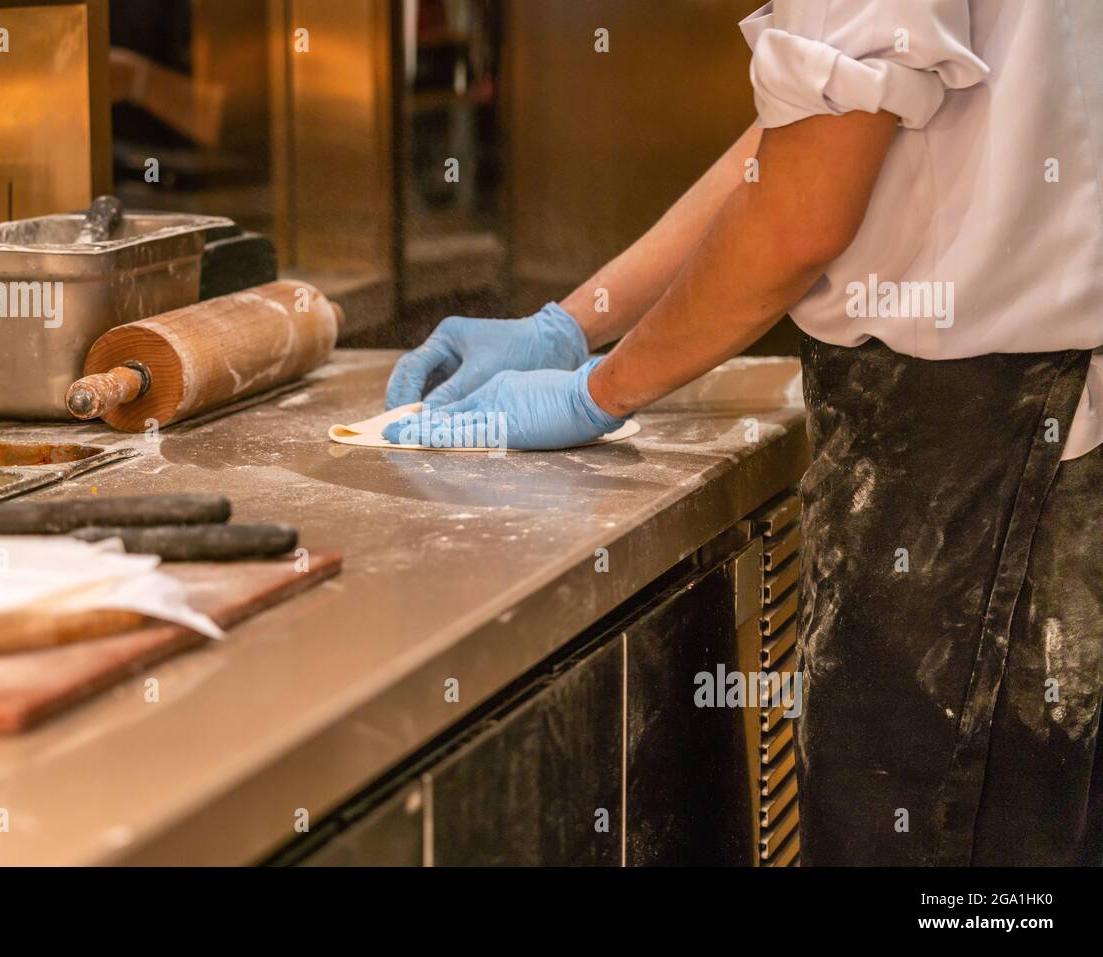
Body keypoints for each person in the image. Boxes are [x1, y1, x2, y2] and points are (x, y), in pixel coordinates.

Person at [384, 0, 1103, 866]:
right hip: (1019, 433)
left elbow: (801, 212)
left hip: (984, 471)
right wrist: (574, 322)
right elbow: (805, 138)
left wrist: (598, 389)